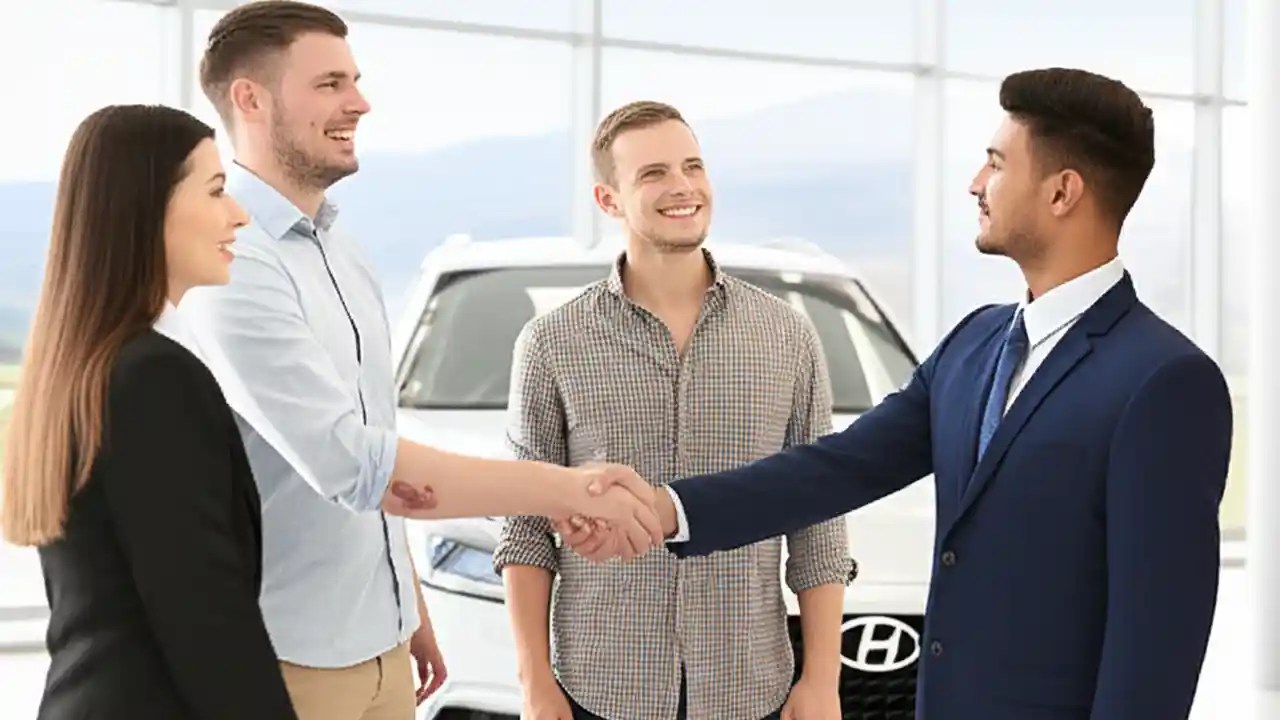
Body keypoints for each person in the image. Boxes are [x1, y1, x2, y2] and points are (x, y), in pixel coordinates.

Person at [572, 68, 1234, 720]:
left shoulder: (1165, 382)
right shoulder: (976, 344)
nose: (977, 184)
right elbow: (838, 468)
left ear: (1062, 192)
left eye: (997, 164)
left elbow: (1156, 643)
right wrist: (667, 508)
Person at [182, 3, 660, 719]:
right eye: (330, 84)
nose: (359, 102)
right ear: (250, 99)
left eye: (355, 81)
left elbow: (375, 435)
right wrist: (565, 490)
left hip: (379, 648)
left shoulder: (342, 248)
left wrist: (406, 608)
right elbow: (350, 461)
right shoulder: (235, 261)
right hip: (285, 661)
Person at [493, 100, 855, 720]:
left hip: (749, 685)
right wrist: (534, 684)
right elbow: (526, 528)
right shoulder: (552, 343)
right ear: (609, 200)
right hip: (601, 686)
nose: (683, 186)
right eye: (654, 173)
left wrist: (822, 680)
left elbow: (818, 519)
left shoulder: (786, 337)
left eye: (693, 166)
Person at [0, 104, 296, 718]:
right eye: (216, 191)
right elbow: (207, 622)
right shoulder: (154, 378)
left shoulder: (77, 371)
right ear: (145, 207)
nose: (237, 214)